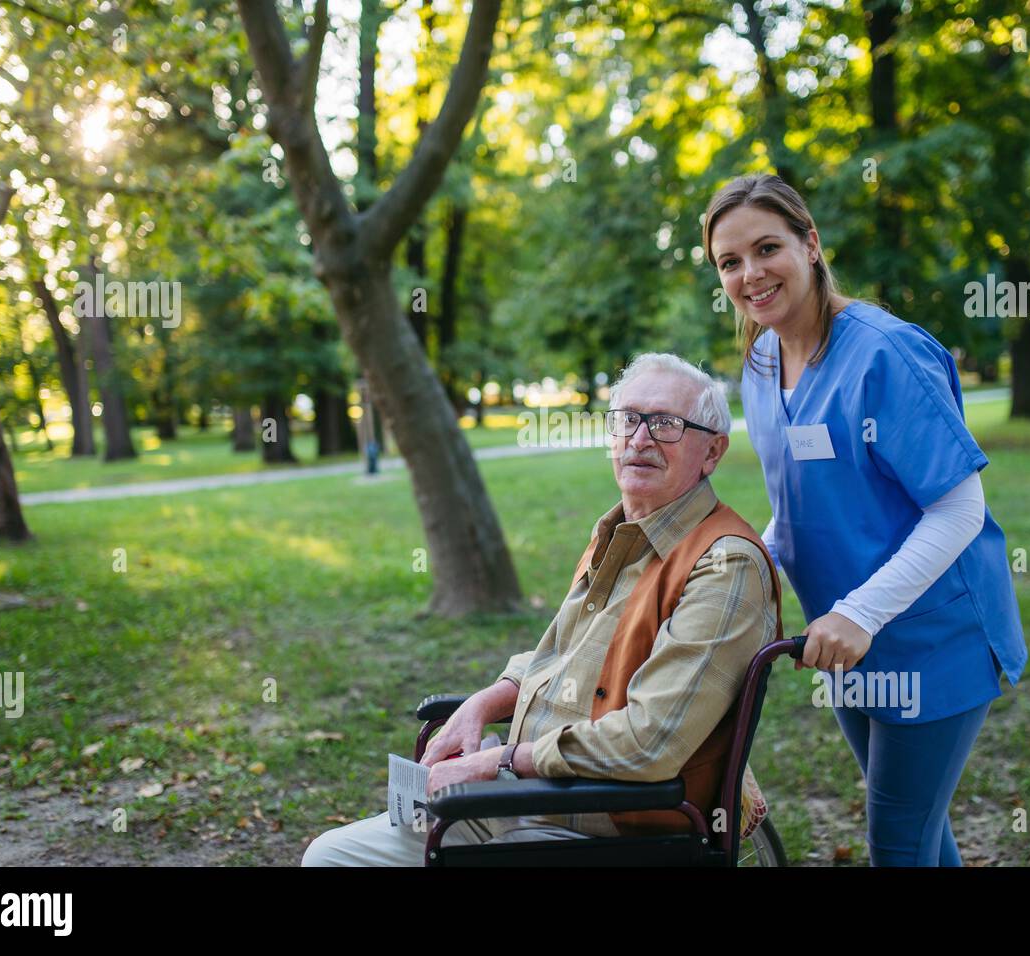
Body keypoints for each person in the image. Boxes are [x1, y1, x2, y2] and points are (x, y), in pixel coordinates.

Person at [302, 353, 780, 866]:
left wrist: (503, 759)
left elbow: (649, 742)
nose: (640, 439)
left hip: (608, 823)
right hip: (529, 795)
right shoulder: (619, 534)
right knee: (330, 856)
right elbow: (565, 657)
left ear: (711, 452)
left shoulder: (725, 566)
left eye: (666, 424)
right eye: (628, 420)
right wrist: (483, 705)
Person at [703, 173, 1027, 866]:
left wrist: (862, 612)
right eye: (729, 262)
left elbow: (960, 506)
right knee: (920, 832)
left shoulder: (887, 353)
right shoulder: (762, 361)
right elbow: (794, 512)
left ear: (810, 244)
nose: (750, 274)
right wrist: (730, 574)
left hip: (932, 634)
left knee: (897, 841)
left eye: (767, 248)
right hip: (844, 638)